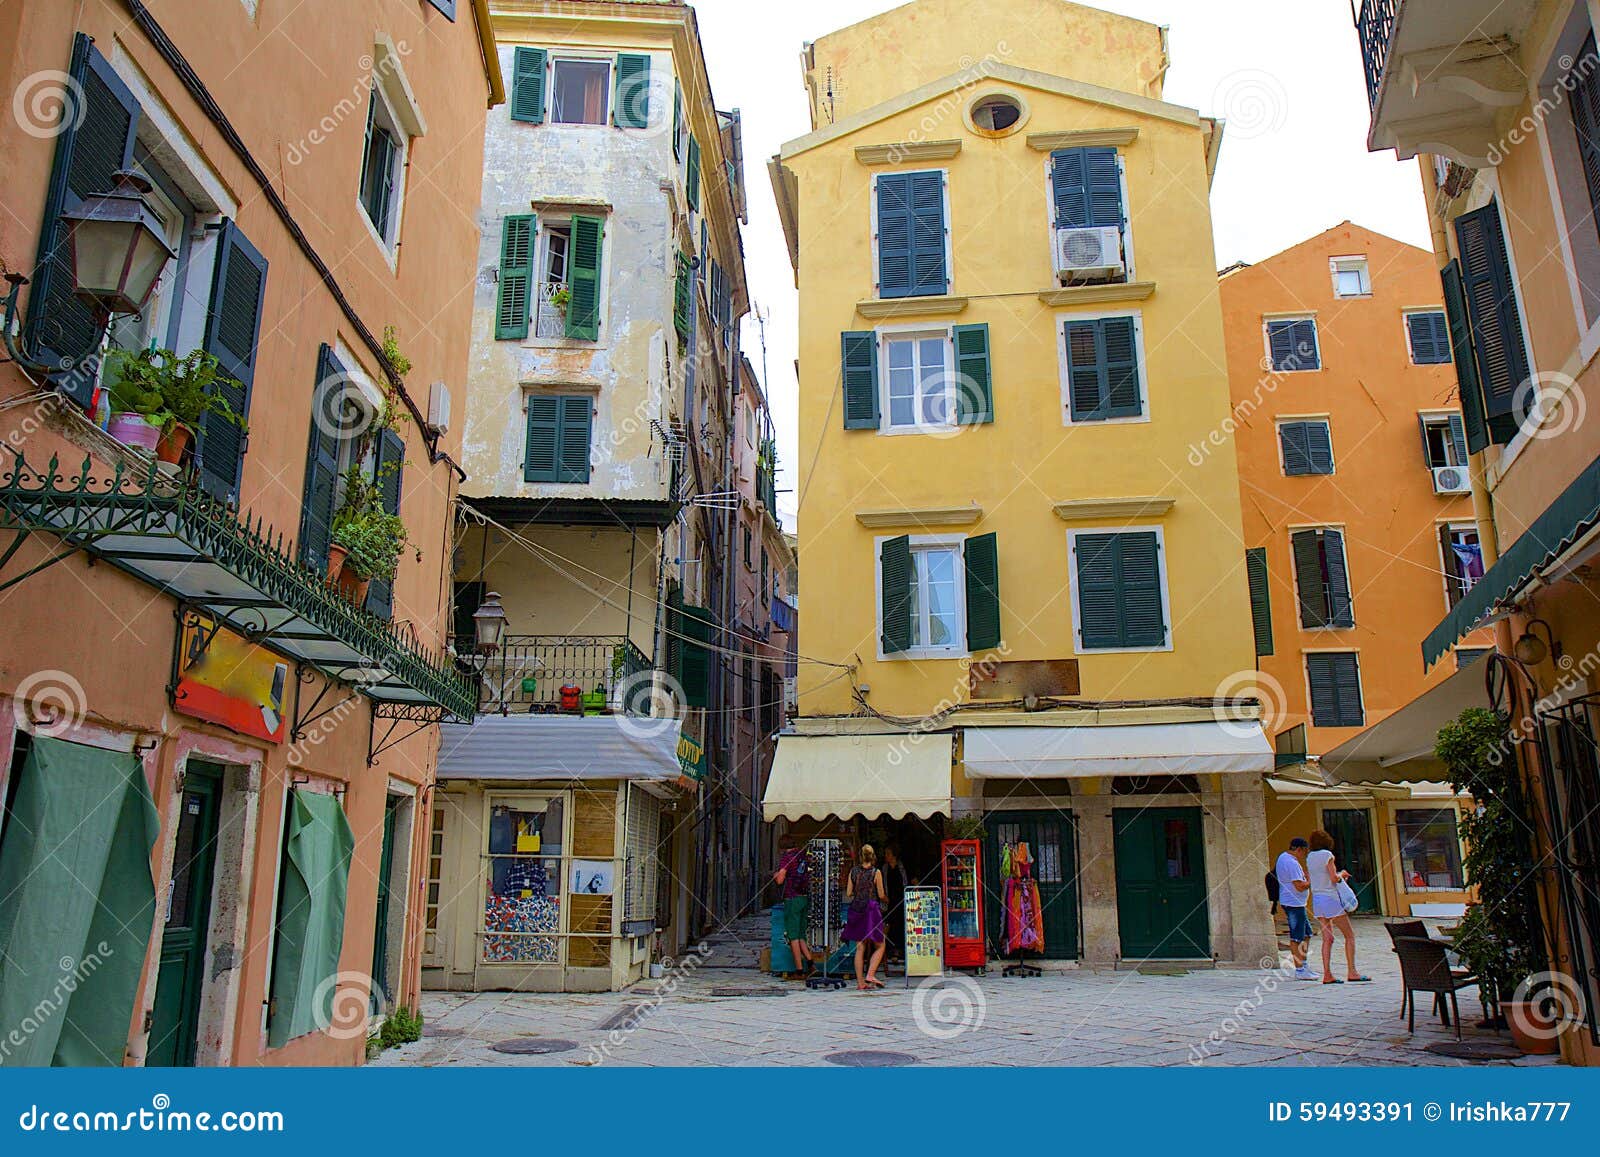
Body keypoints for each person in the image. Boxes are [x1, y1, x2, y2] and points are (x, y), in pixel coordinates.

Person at [1307, 829, 1370, 985]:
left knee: (1327, 938)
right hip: (1331, 899)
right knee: (1349, 935)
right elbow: (1334, 878)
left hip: (1317, 899)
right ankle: (1352, 971)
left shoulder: (1310, 857)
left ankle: (1327, 974)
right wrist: (1342, 874)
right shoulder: (1327, 855)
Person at [843, 843, 887, 989]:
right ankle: (871, 973)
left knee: (860, 947)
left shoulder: (853, 872)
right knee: (880, 944)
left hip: (856, 909)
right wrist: (887, 899)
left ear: (860, 856)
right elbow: (880, 895)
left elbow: (849, 893)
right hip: (871, 909)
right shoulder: (876, 872)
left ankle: (860, 983)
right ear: (873, 856)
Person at [773, 841, 819, 975]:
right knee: (801, 935)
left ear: (782, 848)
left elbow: (780, 880)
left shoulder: (787, 858)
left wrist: (776, 876)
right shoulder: (803, 856)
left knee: (793, 936)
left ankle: (799, 970)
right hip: (804, 898)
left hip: (792, 898)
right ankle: (811, 964)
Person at [1274, 837, 1317, 980]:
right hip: (1294, 903)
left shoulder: (1284, 858)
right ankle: (1299, 969)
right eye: (1305, 852)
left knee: (1307, 934)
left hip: (1296, 903)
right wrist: (1311, 881)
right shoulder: (1291, 863)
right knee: (1297, 936)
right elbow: (1299, 886)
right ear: (1299, 849)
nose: (1305, 855)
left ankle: (1303, 964)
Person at [881, 844, 909, 963]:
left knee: (900, 925)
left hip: (901, 901)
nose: (886, 856)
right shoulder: (884, 869)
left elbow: (910, 881)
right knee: (889, 926)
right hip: (889, 901)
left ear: (894, 855)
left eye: (888, 853)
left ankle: (900, 951)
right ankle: (890, 951)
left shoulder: (902, 867)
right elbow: (881, 884)